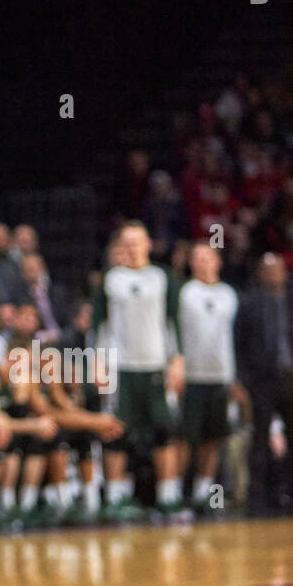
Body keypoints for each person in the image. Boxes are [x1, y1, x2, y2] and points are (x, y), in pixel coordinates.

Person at [94, 221, 184, 520]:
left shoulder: (163, 277)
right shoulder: (110, 279)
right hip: (120, 367)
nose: (132, 246)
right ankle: (116, 499)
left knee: (164, 431)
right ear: (121, 245)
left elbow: (173, 323)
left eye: (138, 241)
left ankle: (168, 498)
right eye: (127, 241)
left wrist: (177, 361)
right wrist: (97, 361)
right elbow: (99, 325)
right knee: (115, 431)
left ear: (148, 244)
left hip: (155, 365)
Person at [175, 242, 240, 514]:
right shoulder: (185, 292)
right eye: (196, 258)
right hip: (191, 376)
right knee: (184, 438)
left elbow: (233, 339)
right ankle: (176, 494)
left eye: (206, 257)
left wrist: (234, 377)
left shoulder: (229, 294)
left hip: (221, 377)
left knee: (212, 438)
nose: (201, 263)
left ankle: (205, 494)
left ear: (218, 261)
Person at [235, 253, 293, 516]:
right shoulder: (249, 303)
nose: (272, 275)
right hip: (262, 382)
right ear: (259, 275)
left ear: (284, 272)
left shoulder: (292, 300)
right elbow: (238, 344)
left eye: (277, 270)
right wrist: (243, 379)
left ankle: (288, 495)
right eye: (267, 271)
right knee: (259, 442)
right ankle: (258, 500)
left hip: (291, 380)